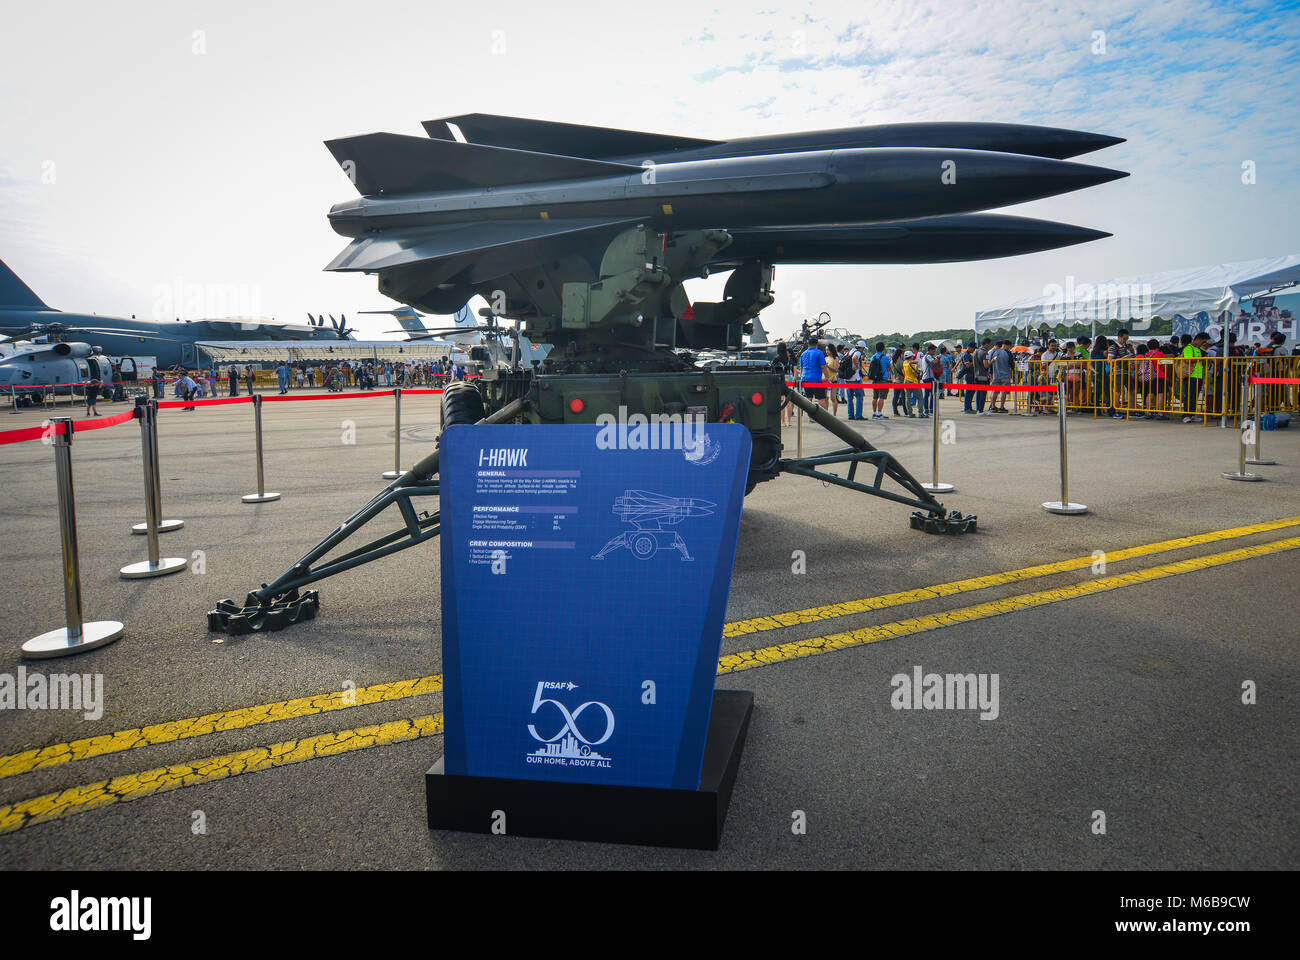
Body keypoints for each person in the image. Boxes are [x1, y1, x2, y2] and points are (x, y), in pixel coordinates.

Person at [1179, 332, 1209, 422]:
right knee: (1189, 396)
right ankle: (1186, 415)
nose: (1203, 344)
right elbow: (1188, 360)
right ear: (1198, 339)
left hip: (1198, 376)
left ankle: (1192, 414)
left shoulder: (1198, 350)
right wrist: (1201, 359)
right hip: (1190, 375)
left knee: (1195, 396)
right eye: (1203, 342)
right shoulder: (1189, 348)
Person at [799, 340, 829, 410]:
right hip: (816, 379)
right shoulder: (819, 352)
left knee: (808, 398)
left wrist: (802, 377)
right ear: (817, 344)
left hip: (805, 378)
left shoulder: (803, 353)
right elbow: (823, 367)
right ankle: (823, 416)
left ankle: (810, 416)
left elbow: (801, 368)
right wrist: (827, 378)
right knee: (821, 398)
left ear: (808, 344)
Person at [867, 342, 890, 420]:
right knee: (881, 397)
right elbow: (889, 367)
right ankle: (879, 413)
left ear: (876, 349)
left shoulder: (872, 357)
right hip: (883, 379)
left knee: (875, 397)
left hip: (875, 379)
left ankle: (874, 413)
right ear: (883, 348)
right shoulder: (885, 357)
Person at [988, 340, 1013, 413]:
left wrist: (991, 374)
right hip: (1005, 375)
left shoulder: (993, 352)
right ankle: (1001, 407)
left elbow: (990, 363)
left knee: (994, 391)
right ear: (1006, 345)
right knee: (1004, 392)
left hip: (995, 375)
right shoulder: (1008, 353)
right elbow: (1011, 364)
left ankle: (992, 406)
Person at [843, 340, 865, 420]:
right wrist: (856, 367)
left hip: (848, 378)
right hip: (855, 379)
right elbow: (854, 358)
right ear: (862, 348)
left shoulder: (849, 351)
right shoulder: (858, 352)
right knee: (859, 397)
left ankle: (850, 415)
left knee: (850, 398)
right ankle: (858, 415)